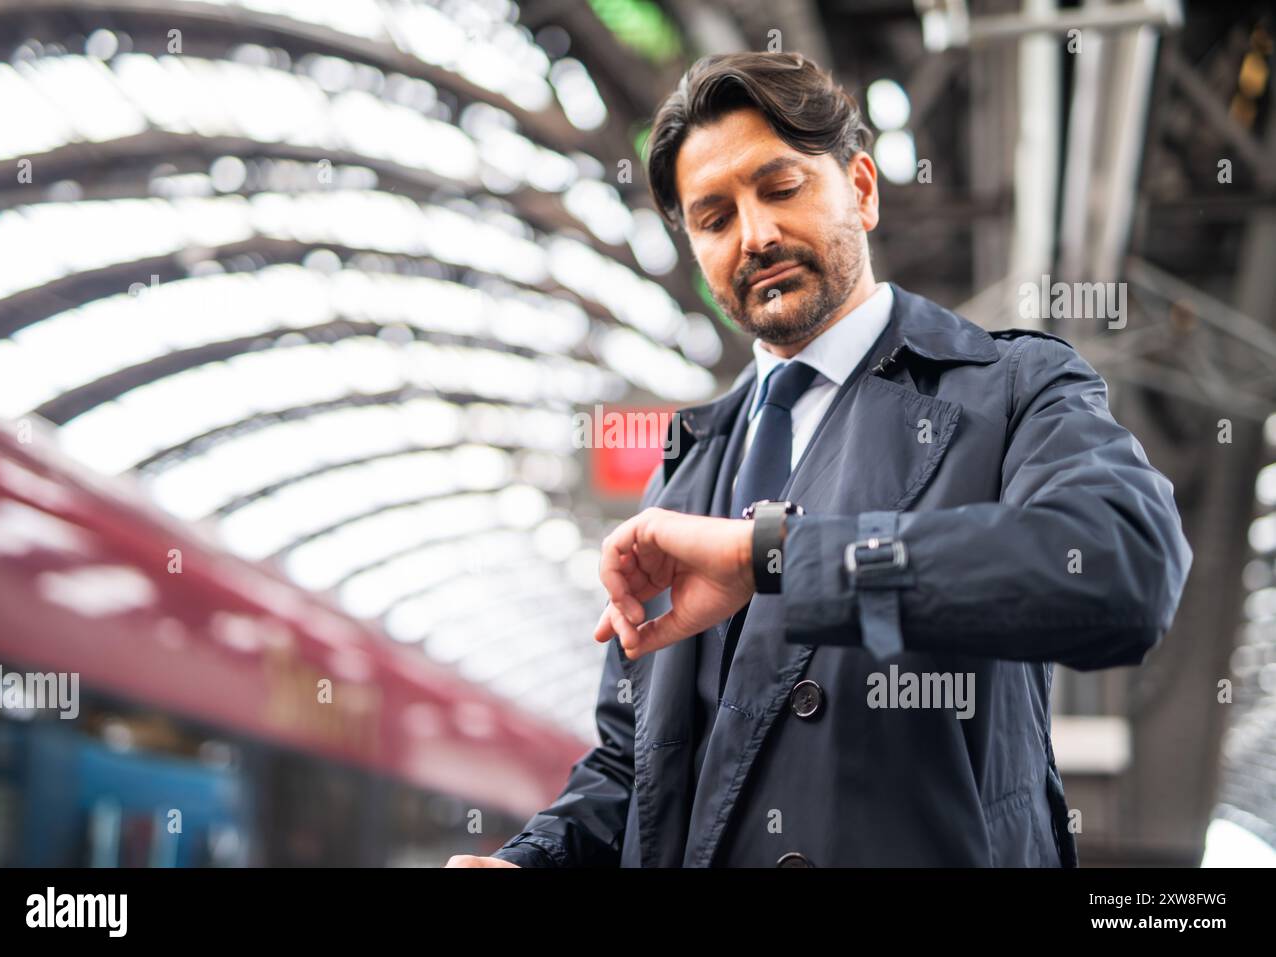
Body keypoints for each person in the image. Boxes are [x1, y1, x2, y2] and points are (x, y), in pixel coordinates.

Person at [446, 51, 1191, 868]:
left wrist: (778, 558)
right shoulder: (688, 469)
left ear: (862, 190)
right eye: (715, 217)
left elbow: (1125, 567)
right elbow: (634, 766)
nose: (755, 235)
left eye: (780, 187)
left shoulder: (1010, 390)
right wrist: (530, 859)